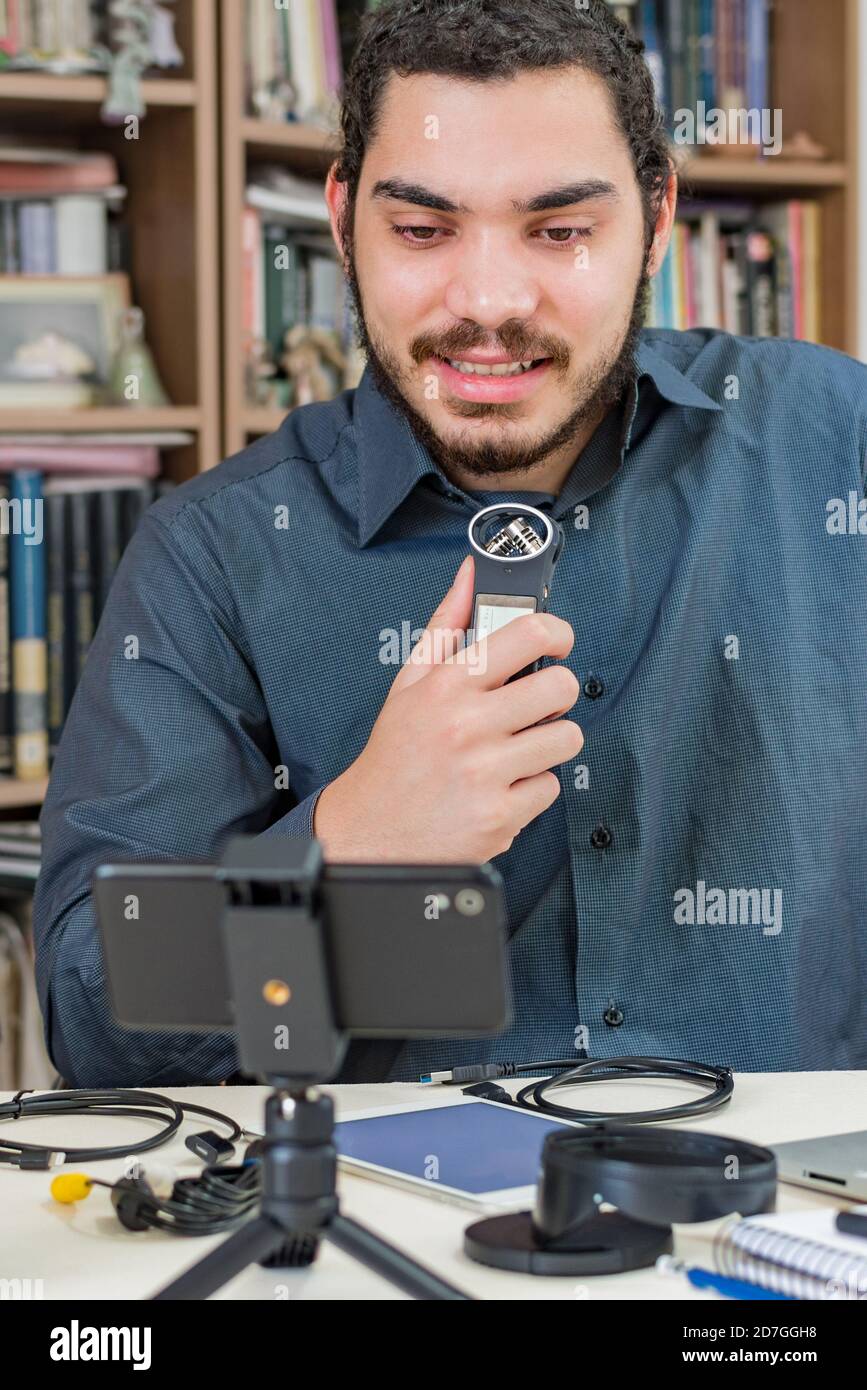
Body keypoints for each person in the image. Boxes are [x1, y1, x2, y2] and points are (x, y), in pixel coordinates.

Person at [34, 0, 867, 1087]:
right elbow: (95, 1021)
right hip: (377, 1235)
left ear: (659, 220)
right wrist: (349, 845)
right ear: (343, 222)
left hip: (793, 1225)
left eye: (560, 229)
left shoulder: (831, 441)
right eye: (423, 230)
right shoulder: (213, 555)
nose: (487, 301)